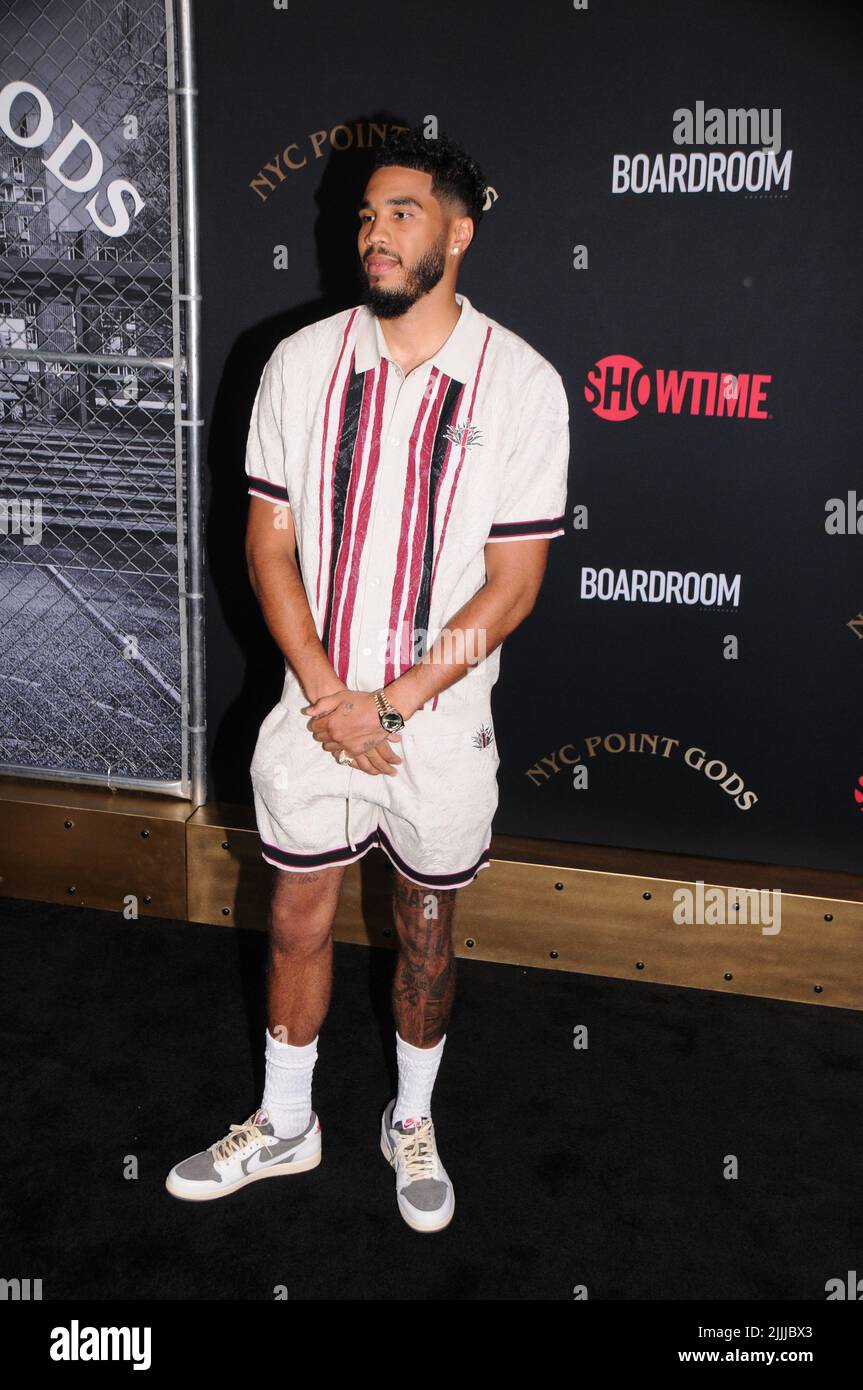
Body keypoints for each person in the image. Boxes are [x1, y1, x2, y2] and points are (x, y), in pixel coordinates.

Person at [166, 127, 570, 1232]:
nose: (373, 234)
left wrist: (388, 703)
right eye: (363, 216)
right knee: (295, 907)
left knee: (424, 924)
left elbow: (511, 589)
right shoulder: (298, 362)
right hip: (313, 708)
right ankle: (286, 1122)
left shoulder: (522, 383)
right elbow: (267, 546)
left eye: (400, 213)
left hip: (433, 720)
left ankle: (411, 1121)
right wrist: (328, 696)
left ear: (457, 232)